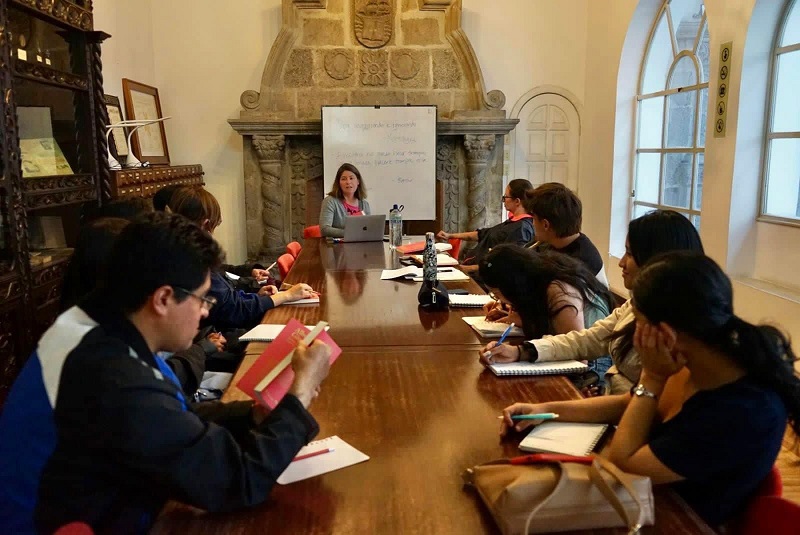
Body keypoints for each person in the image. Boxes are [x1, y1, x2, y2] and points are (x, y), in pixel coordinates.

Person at [0, 212, 332, 533]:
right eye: (202, 300)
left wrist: (251, 415)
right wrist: (300, 392)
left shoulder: (90, 324)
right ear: (162, 298)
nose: (205, 313)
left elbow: (170, 415)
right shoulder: (114, 377)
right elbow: (237, 482)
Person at [500, 251, 799, 527]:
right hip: (652, 504)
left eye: (639, 325)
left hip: (680, 522)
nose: (634, 337)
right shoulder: (697, 360)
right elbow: (627, 403)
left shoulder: (741, 410)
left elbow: (625, 465)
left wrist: (652, 378)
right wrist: (544, 410)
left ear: (665, 334)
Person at [482, 209, 704, 395]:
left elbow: (646, 402)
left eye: (629, 254)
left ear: (658, 260)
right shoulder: (636, 304)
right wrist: (520, 352)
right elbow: (587, 339)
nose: (621, 263)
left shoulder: (680, 332)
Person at [59, 217, 222, 394]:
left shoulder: (98, 324)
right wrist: (201, 350)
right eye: (201, 299)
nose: (204, 311)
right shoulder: (115, 367)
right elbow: (159, 395)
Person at [169, 186, 314, 329]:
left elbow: (228, 297)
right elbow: (234, 310)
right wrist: (285, 296)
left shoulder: (177, 252)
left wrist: (255, 296)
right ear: (206, 225)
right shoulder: (195, 261)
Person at [479, 245, 614, 391]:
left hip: (593, 366)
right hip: (568, 356)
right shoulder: (535, 278)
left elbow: (577, 355)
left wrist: (520, 351)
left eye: (497, 294)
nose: (500, 300)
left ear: (513, 286)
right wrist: (519, 318)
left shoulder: (558, 291)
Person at [436, 179, 534, 275]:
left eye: (505, 197)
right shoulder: (512, 222)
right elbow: (482, 234)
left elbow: (508, 262)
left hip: (484, 277)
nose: (503, 201)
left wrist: (468, 269)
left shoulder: (522, 228)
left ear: (517, 201)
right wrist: (450, 235)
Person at [319, 163, 371, 238]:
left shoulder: (364, 204)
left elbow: (368, 228)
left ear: (358, 181)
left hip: (361, 243)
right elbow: (324, 229)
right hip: (337, 244)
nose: (348, 182)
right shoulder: (330, 201)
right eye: (343, 179)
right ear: (339, 183)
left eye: (351, 178)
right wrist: (350, 233)